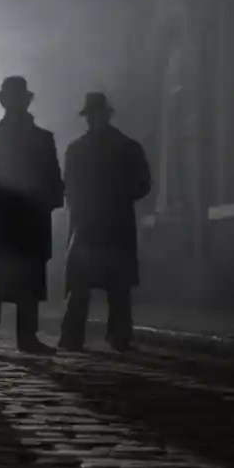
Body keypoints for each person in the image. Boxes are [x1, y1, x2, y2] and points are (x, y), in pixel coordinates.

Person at [0, 76, 64, 358]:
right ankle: (9, 339)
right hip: (19, 219)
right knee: (8, 283)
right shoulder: (40, 139)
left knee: (9, 283)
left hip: (8, 219)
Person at [60, 92, 151, 352]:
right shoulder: (80, 149)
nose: (93, 120)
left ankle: (115, 336)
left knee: (116, 287)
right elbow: (69, 186)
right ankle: (74, 337)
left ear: (105, 116)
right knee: (82, 286)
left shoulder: (125, 147)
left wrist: (117, 195)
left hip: (110, 223)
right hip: (92, 224)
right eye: (91, 116)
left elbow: (142, 184)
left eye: (96, 115)